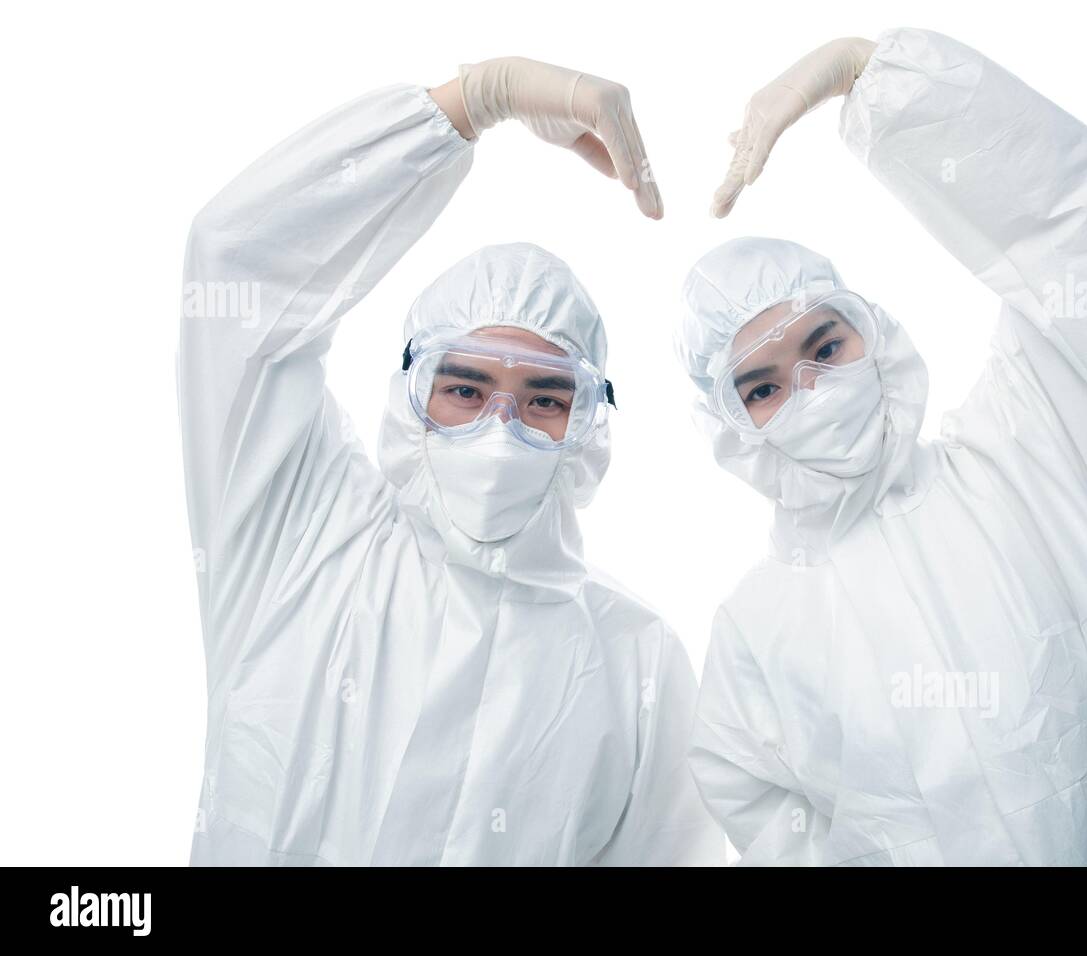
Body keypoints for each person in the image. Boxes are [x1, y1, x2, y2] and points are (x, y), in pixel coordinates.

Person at [678, 29, 1087, 865]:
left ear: (873, 333)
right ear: (730, 428)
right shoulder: (754, 636)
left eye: (825, 347)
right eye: (764, 385)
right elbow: (770, 821)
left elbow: (1080, 217)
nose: (810, 392)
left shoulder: (1030, 464)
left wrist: (872, 76)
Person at [179, 57, 720, 865]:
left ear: (587, 424)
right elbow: (237, 261)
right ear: (411, 394)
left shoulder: (637, 659)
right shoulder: (303, 542)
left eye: (542, 400)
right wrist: (468, 104)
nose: (499, 429)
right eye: (464, 389)